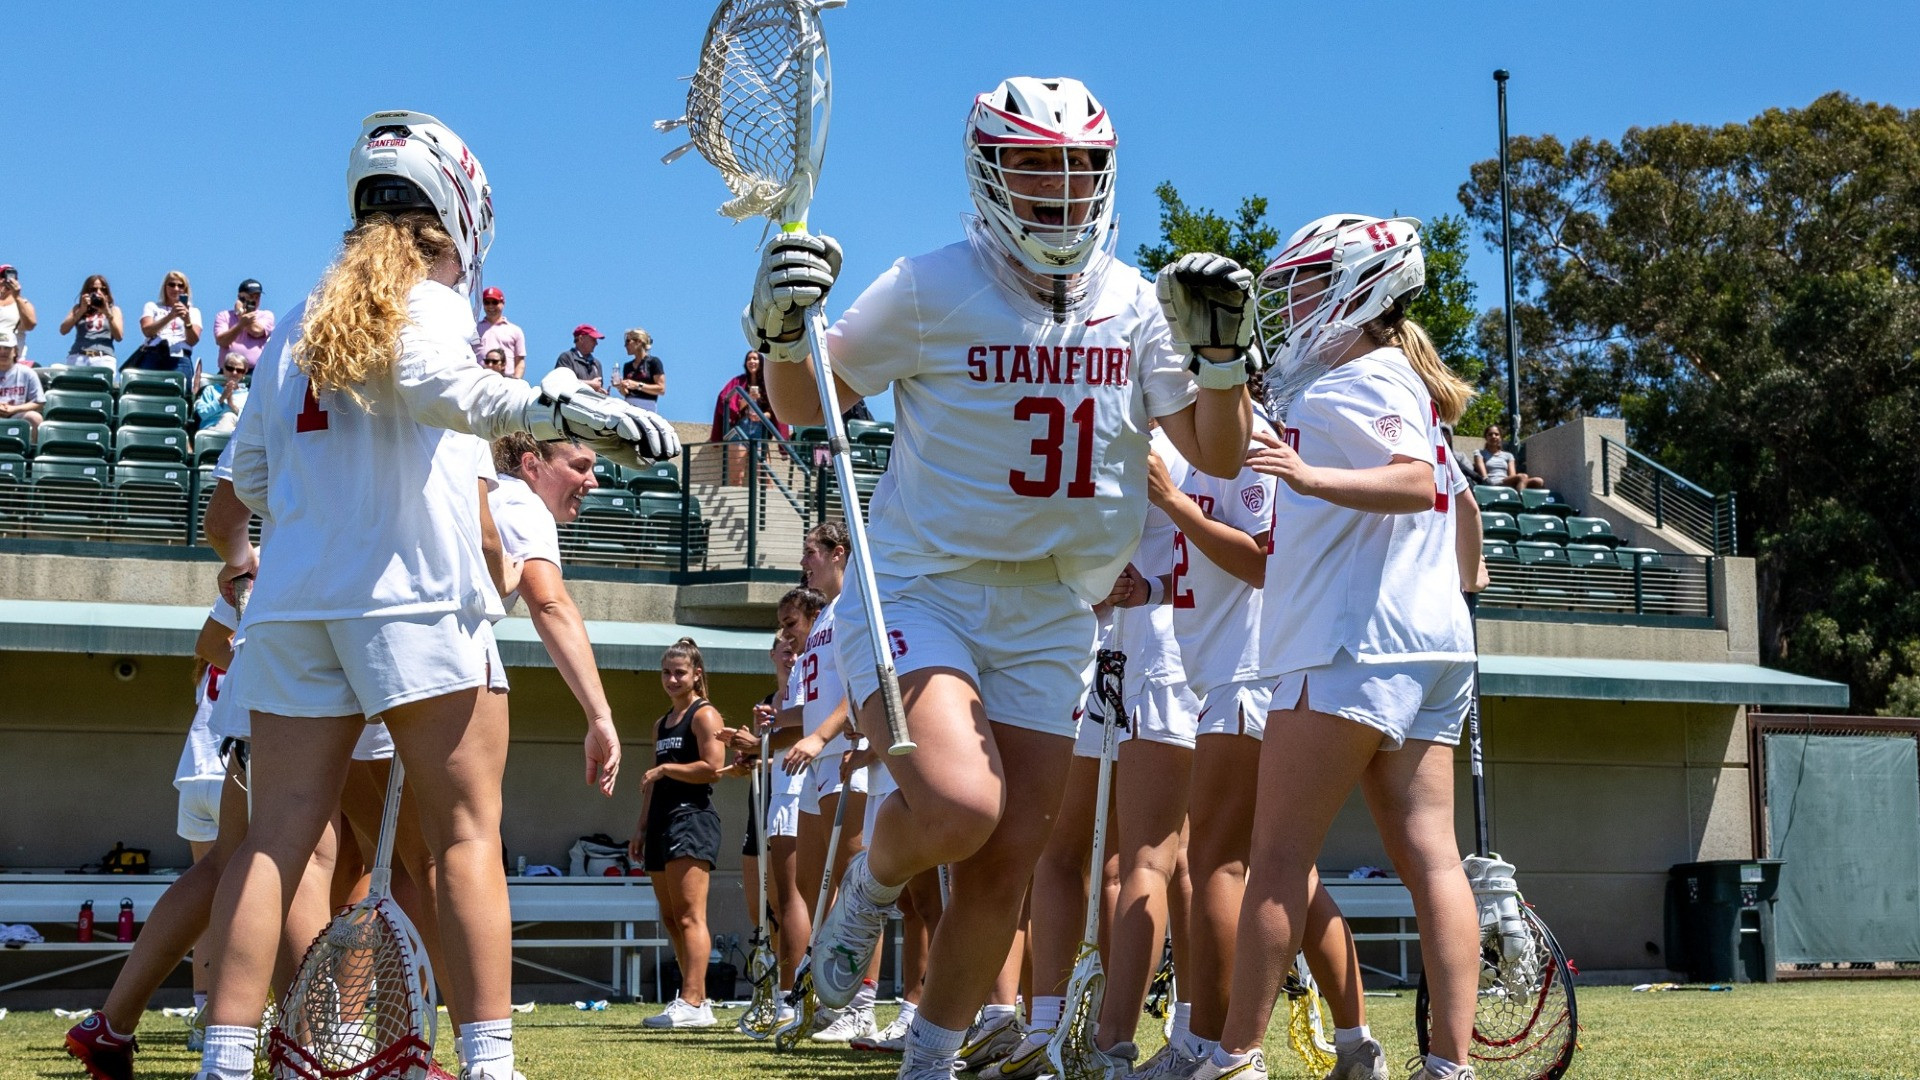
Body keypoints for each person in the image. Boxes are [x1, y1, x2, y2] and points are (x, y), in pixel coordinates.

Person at [755, 76, 1256, 1080]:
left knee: (1007, 860)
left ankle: (930, 1062)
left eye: (1077, 166)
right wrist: (772, 327)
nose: (1058, 186)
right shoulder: (927, 285)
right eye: (1032, 161)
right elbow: (808, 401)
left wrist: (1223, 360)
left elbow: (1220, 448)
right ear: (989, 169)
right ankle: (871, 883)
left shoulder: (1135, 301)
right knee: (957, 805)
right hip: (922, 585)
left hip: (1055, 609)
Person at [186, 109, 675, 1080]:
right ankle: (491, 1062)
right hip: (410, 592)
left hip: (293, 605)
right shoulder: (432, 298)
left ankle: (226, 1059)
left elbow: (235, 488)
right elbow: (448, 389)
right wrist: (567, 407)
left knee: (273, 845)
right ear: (456, 212)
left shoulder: (291, 326)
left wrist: (245, 566)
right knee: (462, 839)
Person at [1198, 215, 1482, 1080]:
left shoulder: (1350, 383)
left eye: (1311, 283)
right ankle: (1450, 1066)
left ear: (1362, 287)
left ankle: (1236, 1058)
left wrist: (1311, 476)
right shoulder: (1410, 386)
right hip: (1429, 646)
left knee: (1277, 857)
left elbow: (1413, 482)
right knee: (1432, 859)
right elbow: (1464, 525)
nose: (1293, 303)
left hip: (1350, 644)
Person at [486, 431, 623, 792]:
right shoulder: (522, 502)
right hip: (436, 668)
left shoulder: (492, 496)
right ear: (531, 465)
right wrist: (599, 715)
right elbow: (550, 605)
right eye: (580, 467)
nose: (592, 481)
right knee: (466, 836)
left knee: (344, 844)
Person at [631, 638, 727, 1029]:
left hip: (692, 819)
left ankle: (692, 999)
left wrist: (667, 770)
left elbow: (714, 768)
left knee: (690, 916)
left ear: (696, 675)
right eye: (666, 672)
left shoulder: (704, 715)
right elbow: (652, 782)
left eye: (680, 672)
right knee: (671, 917)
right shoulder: (661, 723)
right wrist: (640, 827)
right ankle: (695, 1001)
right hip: (660, 822)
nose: (672, 679)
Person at [135, 270, 203, 376]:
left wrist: (187, 321)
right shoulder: (152, 306)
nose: (176, 289)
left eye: (180, 286)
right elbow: (147, 331)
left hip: (180, 357)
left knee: (179, 390)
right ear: (165, 287)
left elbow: (193, 340)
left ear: (185, 289)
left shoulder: (194, 312)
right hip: (153, 354)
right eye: (172, 284)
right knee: (148, 389)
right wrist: (170, 316)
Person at [710, 349, 787, 442]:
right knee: (737, 456)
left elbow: (776, 409)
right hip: (742, 425)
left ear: (761, 362)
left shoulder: (768, 384)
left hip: (761, 428)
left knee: (760, 456)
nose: (751, 361)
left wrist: (764, 415)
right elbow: (726, 402)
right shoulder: (738, 382)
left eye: (755, 358)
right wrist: (748, 397)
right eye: (749, 359)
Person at [59, 274, 124, 367]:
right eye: (93, 290)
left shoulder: (114, 310)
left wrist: (107, 313)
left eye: (103, 289)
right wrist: (81, 311)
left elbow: (119, 336)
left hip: (103, 357)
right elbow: (63, 330)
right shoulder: (78, 309)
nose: (98, 292)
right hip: (78, 356)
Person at [211, 280, 275, 372]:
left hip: (255, 372)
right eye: (251, 296)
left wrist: (241, 315)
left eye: (257, 297)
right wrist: (240, 325)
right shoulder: (224, 316)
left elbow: (256, 331)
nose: (254, 300)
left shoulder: (266, 315)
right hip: (228, 371)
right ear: (240, 297)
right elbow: (222, 341)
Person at [474, 286, 527, 377]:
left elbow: (520, 360)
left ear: (503, 303)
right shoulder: (474, 328)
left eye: (494, 302)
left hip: (507, 380)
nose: (491, 306)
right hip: (480, 379)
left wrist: (516, 381)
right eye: (487, 302)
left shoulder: (515, 331)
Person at [194, 354, 252, 434]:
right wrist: (221, 399)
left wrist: (231, 405)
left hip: (237, 433)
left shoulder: (247, 395)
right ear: (224, 369)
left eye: (239, 370)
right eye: (230, 369)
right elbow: (202, 414)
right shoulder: (210, 390)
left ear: (244, 373)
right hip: (212, 431)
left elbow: (250, 420)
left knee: (230, 417)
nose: (234, 373)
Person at [1469, 425, 1542, 489]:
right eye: (1490, 434)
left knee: (1538, 481)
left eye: (1496, 434)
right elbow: (1484, 476)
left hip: (1506, 481)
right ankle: (1519, 502)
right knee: (1523, 476)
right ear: (1486, 437)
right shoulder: (1480, 453)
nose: (1493, 436)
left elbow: (1512, 475)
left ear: (1500, 437)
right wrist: (1487, 481)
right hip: (1492, 482)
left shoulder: (1508, 456)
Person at [616, 327, 667, 412]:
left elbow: (661, 389)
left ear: (639, 342)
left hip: (647, 409)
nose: (625, 345)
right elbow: (626, 393)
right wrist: (620, 386)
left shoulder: (653, 362)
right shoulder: (627, 366)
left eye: (628, 341)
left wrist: (637, 385)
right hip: (629, 407)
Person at [0, 332, 44, 429]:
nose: (2, 352)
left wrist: (14, 409)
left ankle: (32, 444)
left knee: (35, 418)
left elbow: (39, 402)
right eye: (0, 348)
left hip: (17, 417)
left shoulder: (27, 373)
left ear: (15, 351)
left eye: (7, 348)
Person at [554, 323, 606, 392]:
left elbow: (598, 388)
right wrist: (590, 384)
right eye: (593, 339)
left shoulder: (596, 364)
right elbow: (562, 382)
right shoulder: (566, 358)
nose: (596, 343)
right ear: (581, 339)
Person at [0, 265, 37, 360]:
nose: (5, 281)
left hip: (14, 360)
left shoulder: (23, 303)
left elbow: (30, 325)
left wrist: (17, 296)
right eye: (2, 277)